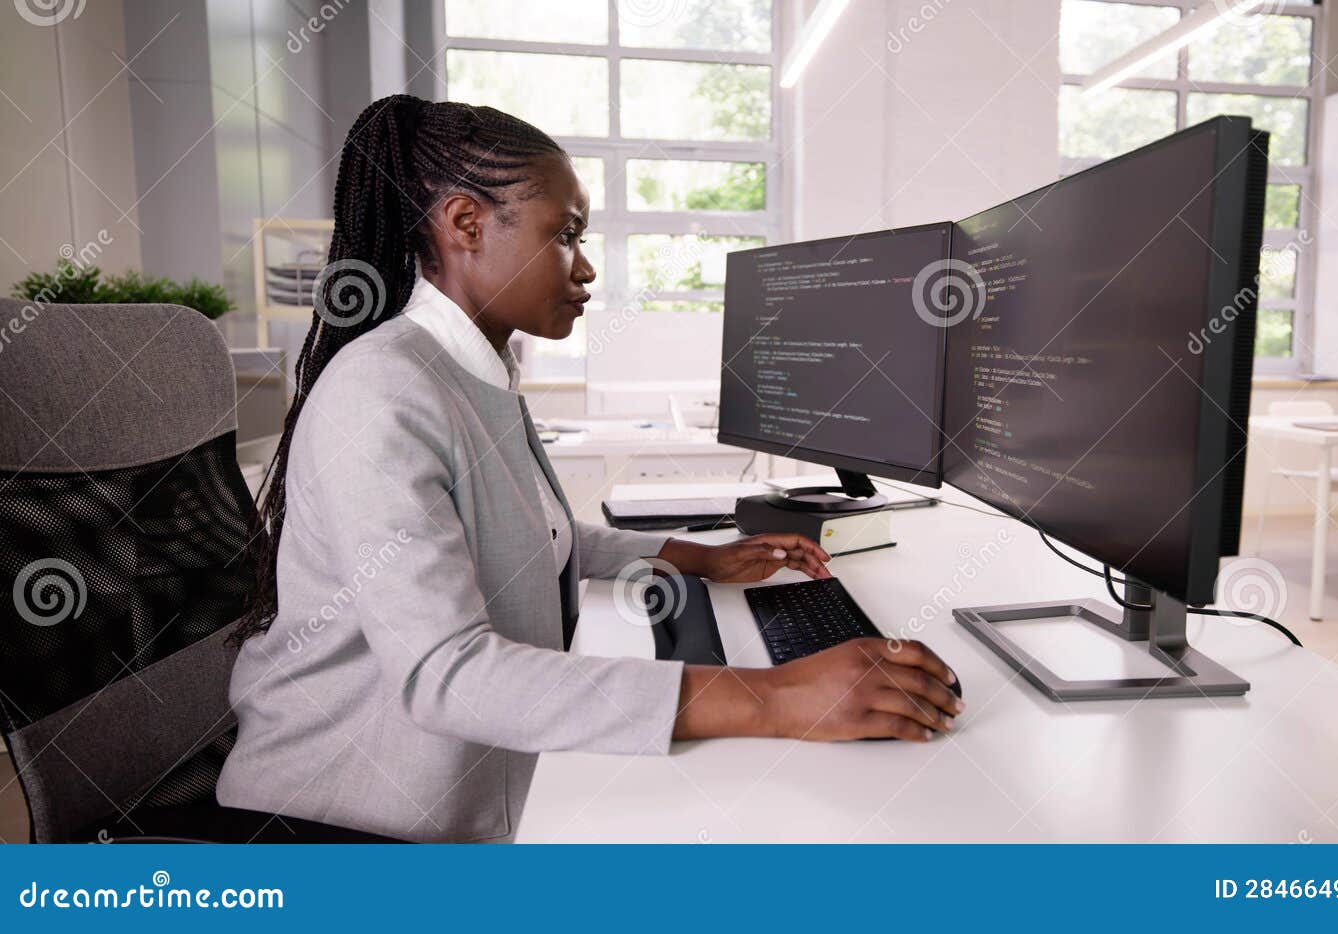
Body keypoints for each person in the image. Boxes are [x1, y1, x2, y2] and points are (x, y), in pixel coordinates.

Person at [217, 95, 963, 843]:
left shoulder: (474, 369)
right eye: (566, 235)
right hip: (342, 821)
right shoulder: (381, 393)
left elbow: (528, 535)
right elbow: (447, 675)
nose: (586, 266)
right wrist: (774, 697)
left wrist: (691, 556)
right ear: (466, 224)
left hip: (463, 783)